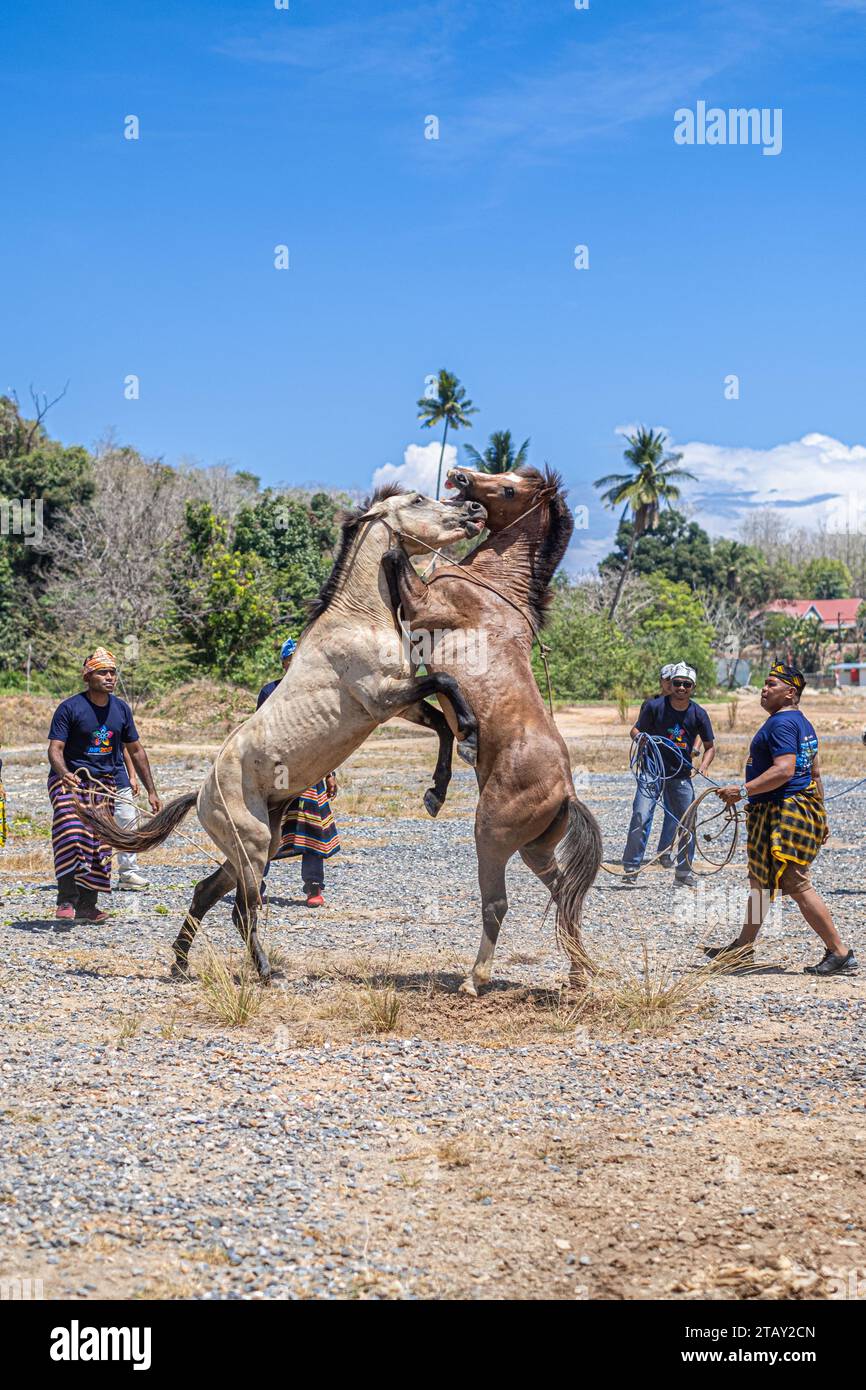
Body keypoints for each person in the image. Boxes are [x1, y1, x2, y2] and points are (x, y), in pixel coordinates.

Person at [706, 664, 857, 976]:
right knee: (761, 883)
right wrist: (821, 813)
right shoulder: (802, 724)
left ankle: (839, 951)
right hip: (790, 807)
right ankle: (742, 949)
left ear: (790, 692)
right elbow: (814, 773)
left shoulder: (782, 724)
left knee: (794, 880)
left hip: (785, 810)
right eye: (764, 683)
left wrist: (742, 790)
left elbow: (786, 770)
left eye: (771, 684)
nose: (764, 688)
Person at [47, 648, 161, 924]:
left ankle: (87, 904)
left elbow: (136, 751)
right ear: (88, 676)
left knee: (99, 842)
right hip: (70, 782)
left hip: (104, 785)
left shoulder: (121, 709)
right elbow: (55, 749)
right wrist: (64, 773)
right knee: (71, 832)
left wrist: (151, 790)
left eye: (112, 672)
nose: (109, 677)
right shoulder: (70, 708)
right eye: (102, 672)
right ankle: (66, 899)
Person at [256, 637, 340, 908]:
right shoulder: (270, 692)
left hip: (311, 769)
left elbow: (325, 736)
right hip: (280, 769)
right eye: (291, 661)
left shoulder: (317, 695)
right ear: (284, 663)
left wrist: (330, 772)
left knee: (312, 828)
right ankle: (256, 884)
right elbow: (260, 734)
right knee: (270, 827)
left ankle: (314, 887)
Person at [622, 662, 715, 887]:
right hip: (652, 771)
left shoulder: (699, 713)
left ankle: (683, 873)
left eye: (686, 684)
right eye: (677, 683)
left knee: (687, 823)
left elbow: (710, 746)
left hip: (680, 774)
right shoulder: (654, 707)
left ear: (693, 687)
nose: (681, 688)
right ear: (670, 685)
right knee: (640, 816)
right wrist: (641, 738)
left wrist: (703, 766)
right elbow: (635, 730)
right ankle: (631, 868)